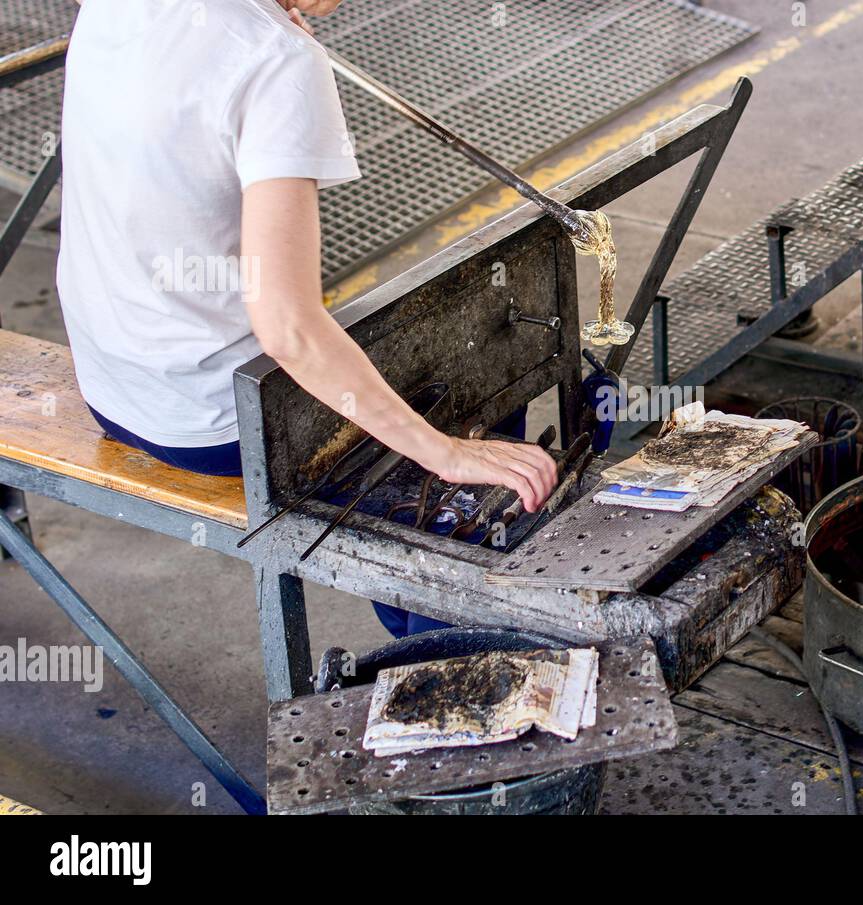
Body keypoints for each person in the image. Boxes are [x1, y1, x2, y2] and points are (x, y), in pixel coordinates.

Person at [58, 0, 556, 635]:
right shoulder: (278, 62)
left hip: (115, 385)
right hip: (218, 422)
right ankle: (443, 641)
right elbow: (288, 327)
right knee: (477, 370)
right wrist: (445, 451)